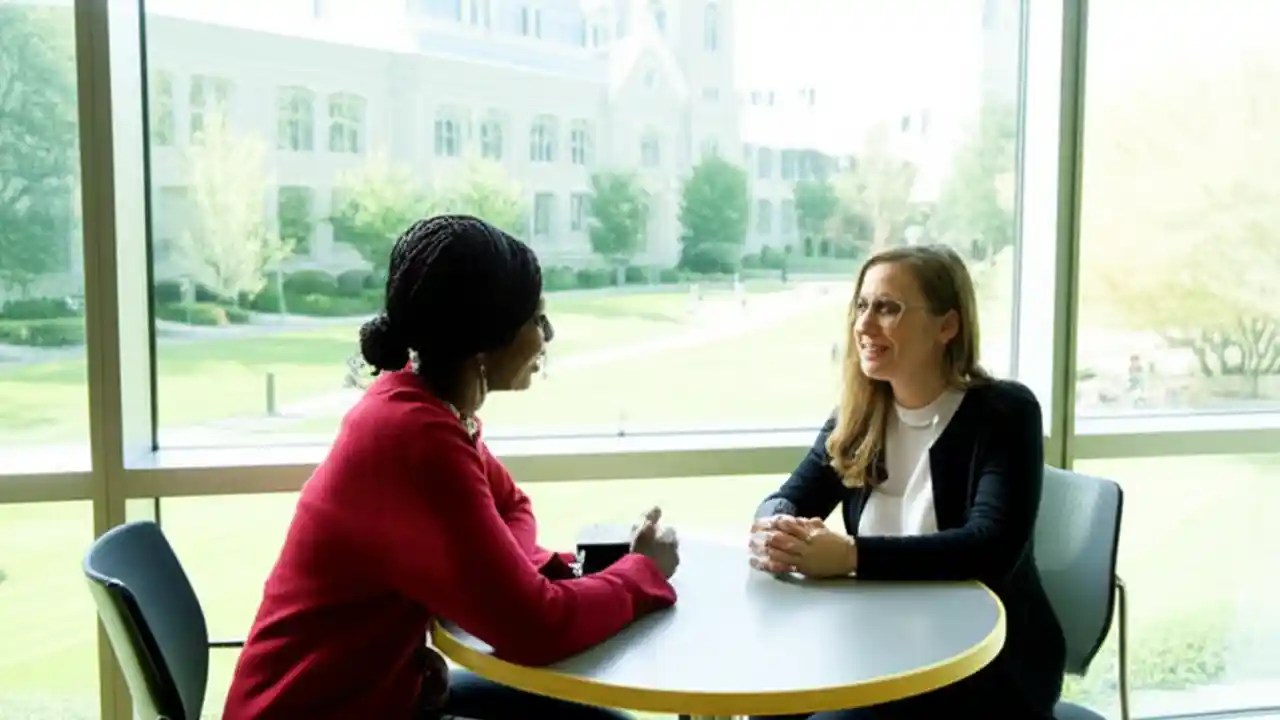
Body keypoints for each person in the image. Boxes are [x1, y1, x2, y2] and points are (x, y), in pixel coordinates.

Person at [223, 215, 680, 720]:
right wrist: (642, 572)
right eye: (536, 321)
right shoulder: (415, 438)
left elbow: (512, 506)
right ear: (486, 340)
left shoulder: (428, 411)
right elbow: (535, 629)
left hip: (386, 694)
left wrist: (499, 568)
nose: (545, 339)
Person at [747, 244, 1065, 719]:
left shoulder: (1004, 413)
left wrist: (850, 555)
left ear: (947, 326)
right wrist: (776, 528)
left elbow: (991, 548)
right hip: (877, 644)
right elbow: (790, 497)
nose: (865, 325)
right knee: (769, 704)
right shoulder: (857, 418)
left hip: (987, 663)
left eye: (888, 308)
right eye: (861, 305)